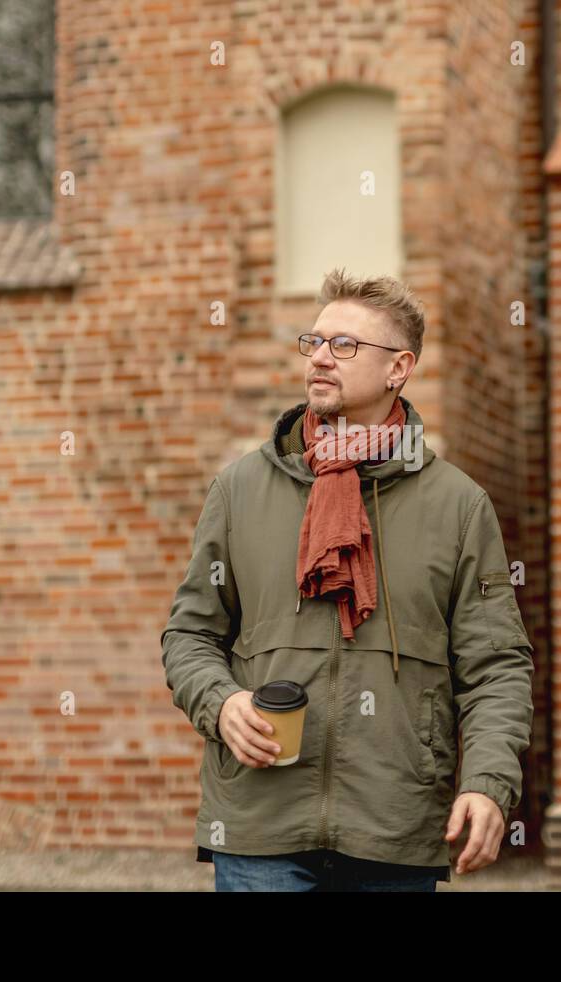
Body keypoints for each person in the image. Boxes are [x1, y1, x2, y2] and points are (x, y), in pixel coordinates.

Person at [160, 267, 535, 892]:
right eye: (314, 343)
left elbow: (497, 666)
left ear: (400, 368)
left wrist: (488, 783)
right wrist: (220, 702)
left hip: (395, 827)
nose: (321, 359)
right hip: (260, 826)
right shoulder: (239, 489)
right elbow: (189, 635)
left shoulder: (460, 507)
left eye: (345, 346)